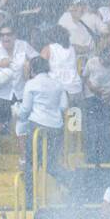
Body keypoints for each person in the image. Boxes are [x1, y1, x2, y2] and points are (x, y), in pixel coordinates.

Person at [0, 23, 37, 173]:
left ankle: (23, 159)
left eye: (8, 34)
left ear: (14, 35)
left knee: (20, 125)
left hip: (19, 91)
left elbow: (38, 59)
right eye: (2, 35)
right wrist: (0, 64)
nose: (5, 37)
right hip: (1, 94)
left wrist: (29, 65)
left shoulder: (23, 46)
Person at [17, 56, 70, 210]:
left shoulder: (31, 84)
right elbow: (64, 106)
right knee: (51, 164)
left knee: (31, 164)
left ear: (32, 69)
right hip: (56, 128)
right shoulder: (57, 84)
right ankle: (71, 180)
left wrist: (17, 113)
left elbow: (25, 110)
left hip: (37, 128)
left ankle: (30, 201)